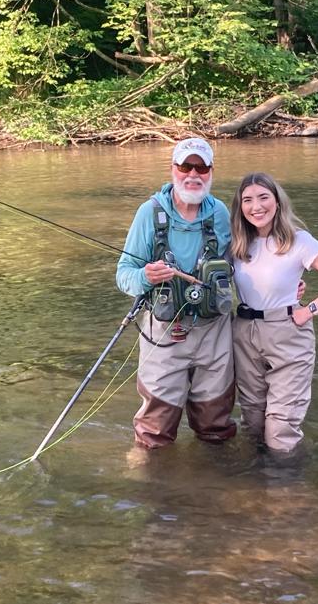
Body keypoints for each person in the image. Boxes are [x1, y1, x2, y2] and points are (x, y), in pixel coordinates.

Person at [116, 138, 238, 449]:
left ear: (211, 172)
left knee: (216, 424)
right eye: (185, 166)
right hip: (164, 333)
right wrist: (145, 276)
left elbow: (243, 264)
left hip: (214, 331)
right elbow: (124, 274)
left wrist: (289, 287)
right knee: (153, 432)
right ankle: (150, 486)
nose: (192, 175)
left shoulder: (221, 213)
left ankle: (220, 483)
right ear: (173, 169)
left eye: (201, 167)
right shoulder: (149, 212)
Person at [229, 172, 318, 453]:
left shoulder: (299, 241)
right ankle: (250, 489)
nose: (256, 207)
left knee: (280, 429)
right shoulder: (237, 244)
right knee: (252, 420)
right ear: (240, 207)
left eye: (264, 197)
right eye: (248, 200)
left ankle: (287, 491)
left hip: (288, 333)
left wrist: (309, 310)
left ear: (277, 201)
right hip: (244, 332)